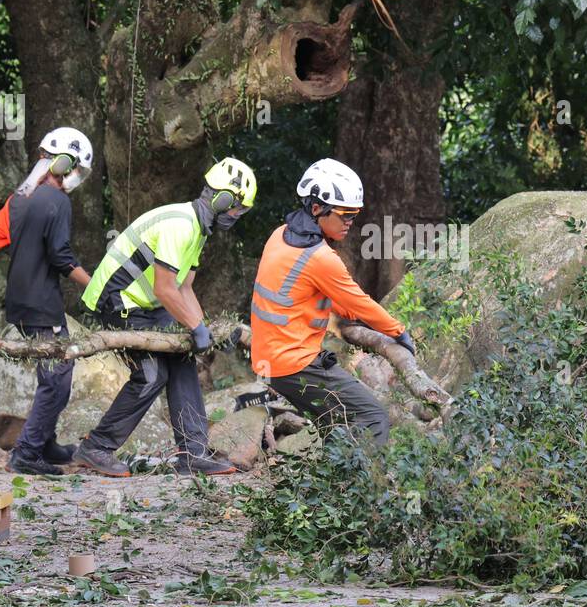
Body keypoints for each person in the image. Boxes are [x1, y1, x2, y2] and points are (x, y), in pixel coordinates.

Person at [75, 157, 258, 477]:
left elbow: (184, 288)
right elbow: (164, 288)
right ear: (223, 199)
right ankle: (96, 447)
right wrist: (195, 326)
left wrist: (206, 333)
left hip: (146, 306)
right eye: (237, 209)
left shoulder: (199, 231)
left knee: (182, 359)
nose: (236, 216)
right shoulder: (182, 225)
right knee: (151, 374)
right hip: (118, 303)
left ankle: (194, 452)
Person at [249, 158, 414, 447]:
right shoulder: (321, 258)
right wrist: (398, 331)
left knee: (336, 422)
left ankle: (329, 486)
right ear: (316, 208)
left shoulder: (279, 235)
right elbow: (359, 303)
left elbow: (318, 295)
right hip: (294, 365)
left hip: (271, 361)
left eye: (354, 215)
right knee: (373, 417)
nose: (350, 222)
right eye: (344, 215)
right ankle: (359, 489)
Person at [0, 128, 94, 475]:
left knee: (54, 374)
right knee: (58, 376)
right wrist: (96, 287)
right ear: (64, 164)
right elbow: (61, 257)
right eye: (77, 171)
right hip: (42, 303)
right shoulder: (58, 202)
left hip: (21, 303)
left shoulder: (19, 200)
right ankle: (27, 452)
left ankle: (45, 443)